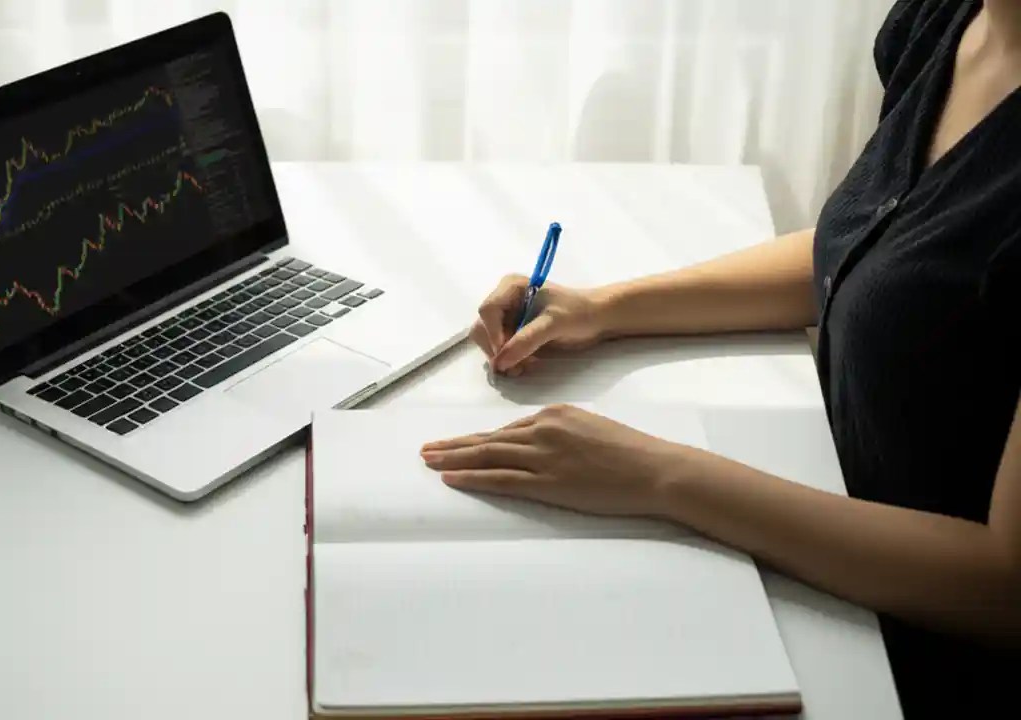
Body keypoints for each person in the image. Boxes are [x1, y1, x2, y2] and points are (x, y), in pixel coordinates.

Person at [419, 0, 1020, 717]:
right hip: (831, 559)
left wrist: (660, 475)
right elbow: (875, 258)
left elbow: (1005, 590)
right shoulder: (951, 19)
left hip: (916, 664)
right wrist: (606, 308)